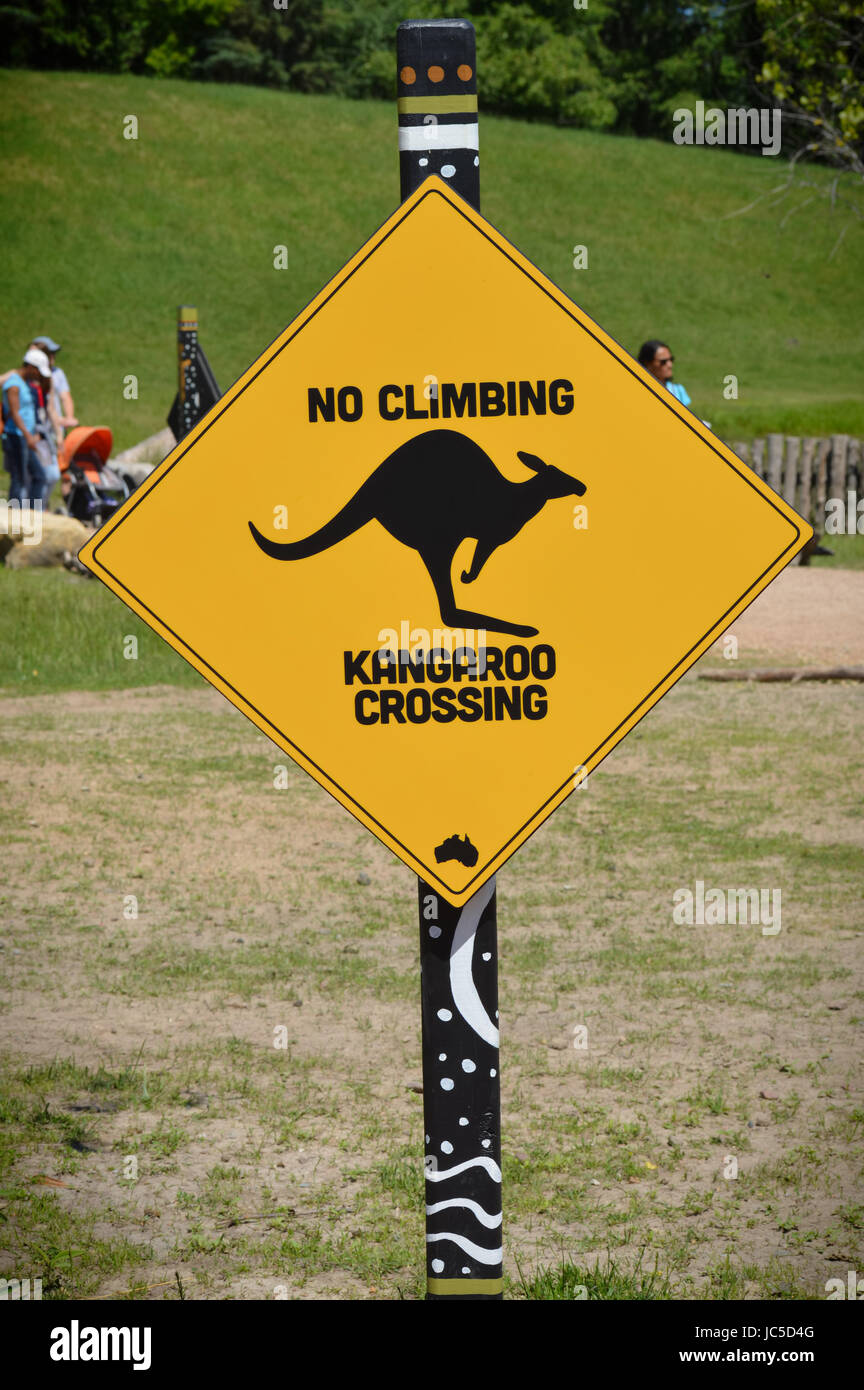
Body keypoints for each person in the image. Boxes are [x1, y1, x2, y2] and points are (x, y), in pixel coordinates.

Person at [1, 349, 49, 505]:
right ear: (31, 367)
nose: (38, 375)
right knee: (19, 478)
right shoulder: (14, 384)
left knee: (39, 476)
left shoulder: (24, 383)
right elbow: (15, 413)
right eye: (38, 371)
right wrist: (28, 436)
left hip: (25, 437)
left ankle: (32, 513)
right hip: (16, 436)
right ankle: (13, 516)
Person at [31, 334, 77, 431]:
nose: (53, 356)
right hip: (36, 428)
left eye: (54, 353)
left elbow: (65, 397)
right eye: (50, 353)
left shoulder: (58, 373)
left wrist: (69, 417)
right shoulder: (29, 375)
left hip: (56, 427)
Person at [637, 340, 692, 407]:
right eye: (663, 362)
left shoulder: (679, 391)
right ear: (647, 363)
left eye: (671, 359)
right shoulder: (638, 390)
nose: (670, 365)